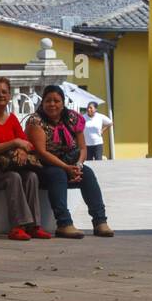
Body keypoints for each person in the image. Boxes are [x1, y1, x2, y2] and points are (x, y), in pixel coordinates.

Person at [26, 84, 112, 239]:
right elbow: (42, 152)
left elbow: (83, 148)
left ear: (63, 102)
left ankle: (100, 221)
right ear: (42, 103)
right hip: (43, 167)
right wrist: (66, 168)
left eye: (56, 101)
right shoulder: (35, 121)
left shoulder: (73, 118)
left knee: (87, 173)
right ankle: (64, 223)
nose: (52, 104)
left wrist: (78, 166)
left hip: (70, 164)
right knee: (57, 173)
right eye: (48, 101)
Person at [0, 76, 47, 241]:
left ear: (9, 96)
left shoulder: (12, 119)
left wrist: (22, 151)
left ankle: (34, 226)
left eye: (4, 92)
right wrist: (14, 143)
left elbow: (26, 144)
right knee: (14, 178)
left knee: (31, 176)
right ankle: (17, 226)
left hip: (10, 166)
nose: (1, 95)